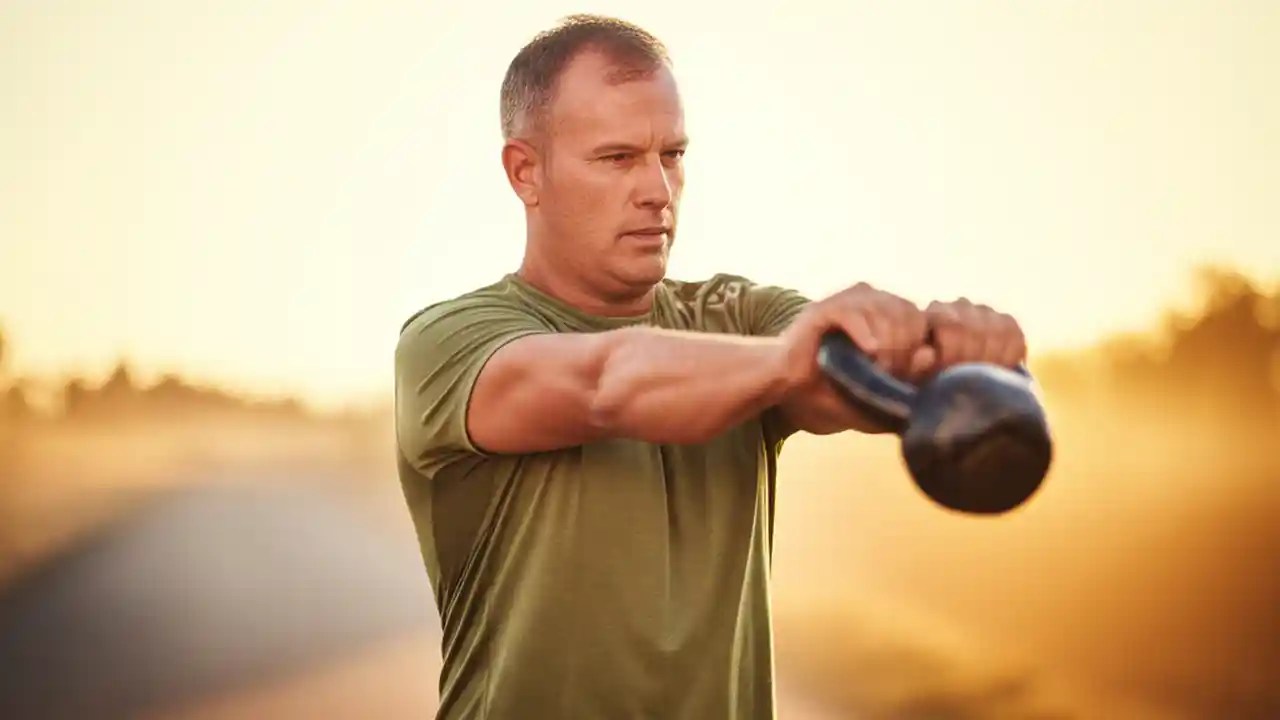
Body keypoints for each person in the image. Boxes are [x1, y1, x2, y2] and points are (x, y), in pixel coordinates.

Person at [394, 14, 1027, 720]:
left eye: (672, 154)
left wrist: (953, 356)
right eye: (617, 158)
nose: (658, 191)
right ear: (525, 172)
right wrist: (792, 359)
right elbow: (605, 384)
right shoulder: (452, 341)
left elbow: (842, 385)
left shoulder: (741, 319)